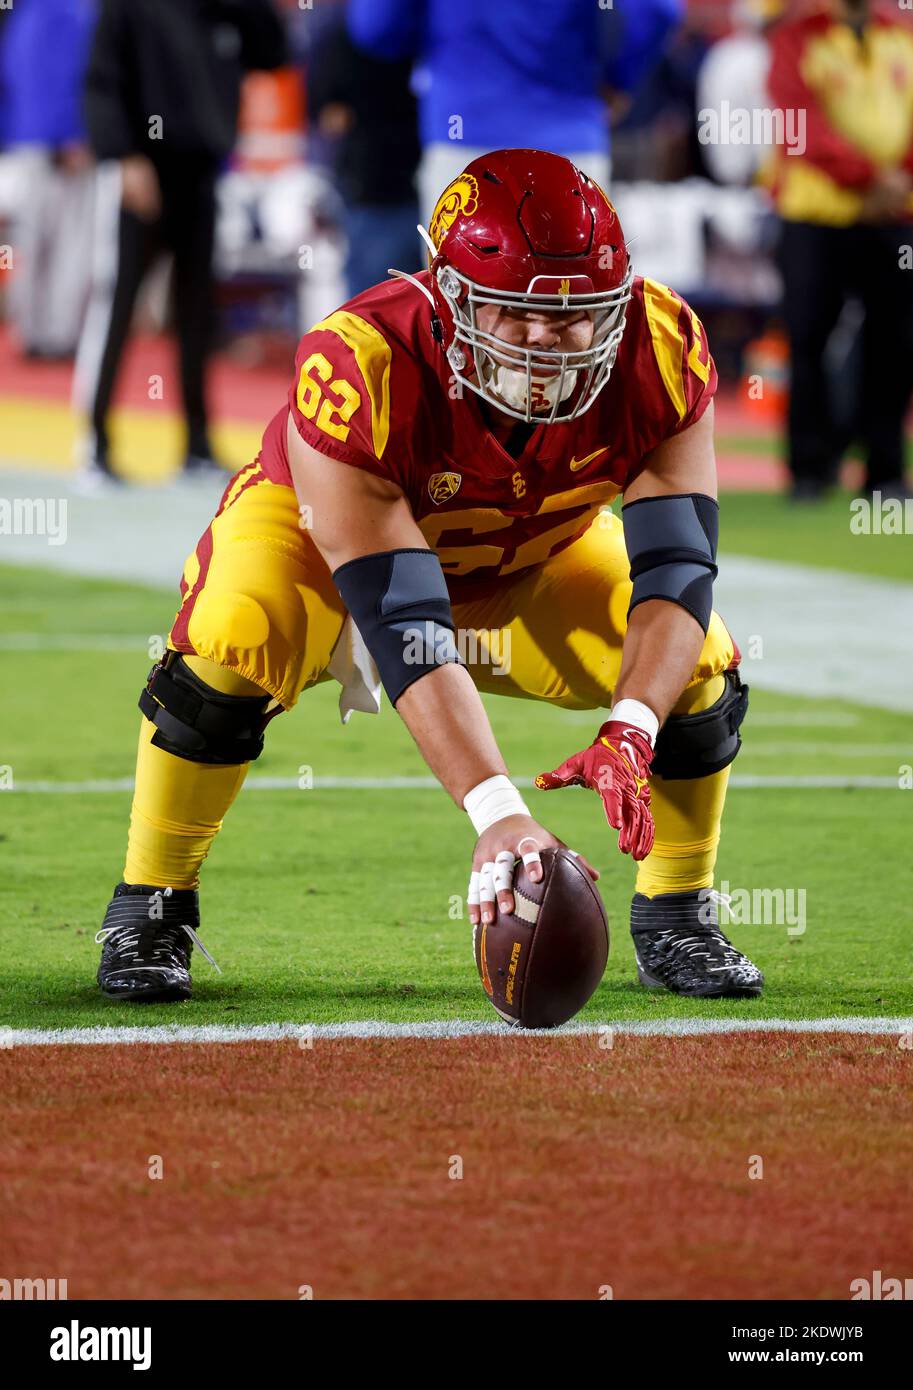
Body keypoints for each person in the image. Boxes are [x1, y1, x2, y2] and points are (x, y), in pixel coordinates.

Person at [94, 149, 762, 1005]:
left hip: (528, 556)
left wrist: (632, 728)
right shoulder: (362, 362)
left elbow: (677, 568)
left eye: (575, 316)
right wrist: (497, 812)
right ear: (450, 295)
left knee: (696, 664)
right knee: (237, 632)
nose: (546, 339)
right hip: (321, 553)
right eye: (515, 311)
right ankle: (150, 905)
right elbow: (402, 621)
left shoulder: (658, 346)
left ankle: (677, 912)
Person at [73, 0, 286, 484]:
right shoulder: (127, 7)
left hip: (202, 171)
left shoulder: (220, 7)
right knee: (117, 304)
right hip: (142, 170)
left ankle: (196, 445)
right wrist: (121, 155)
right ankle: (94, 443)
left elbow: (271, 53)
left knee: (196, 312)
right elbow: (101, 79)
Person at [347, 0, 684, 225]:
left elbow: (376, 26)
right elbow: (658, 8)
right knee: (571, 299)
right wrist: (618, 79)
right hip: (569, 140)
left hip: (462, 135)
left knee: (461, 303)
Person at [768, 0, 913, 501]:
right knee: (808, 337)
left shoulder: (901, 34)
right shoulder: (797, 36)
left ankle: (885, 472)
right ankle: (810, 469)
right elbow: (799, 124)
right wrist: (872, 178)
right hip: (815, 213)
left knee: (895, 344)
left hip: (892, 215)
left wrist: (897, 180)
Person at [0, 0, 97, 359]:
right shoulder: (70, 10)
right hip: (58, 142)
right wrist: (70, 133)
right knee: (69, 242)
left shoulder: (23, 12)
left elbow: (11, 73)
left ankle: (30, 330)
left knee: (32, 240)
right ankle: (59, 334)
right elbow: (70, 70)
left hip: (25, 138)